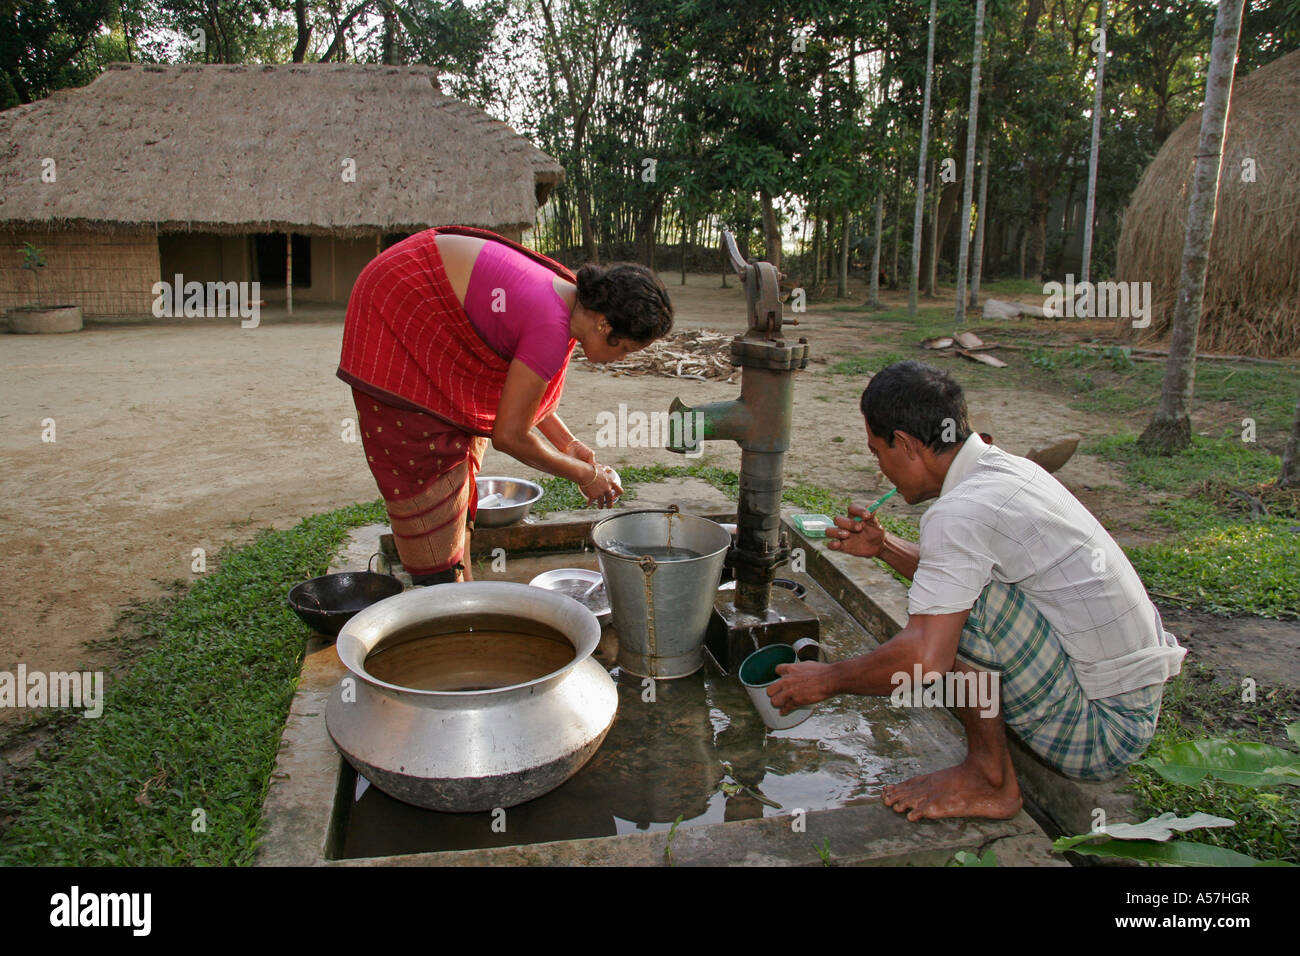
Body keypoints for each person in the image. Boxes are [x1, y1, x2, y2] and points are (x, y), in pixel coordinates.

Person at [768, 360, 1185, 821]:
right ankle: (988, 770)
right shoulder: (1004, 469)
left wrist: (827, 679)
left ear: (904, 444)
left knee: (954, 613)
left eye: (876, 451)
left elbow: (926, 658)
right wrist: (885, 546)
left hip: (1099, 731)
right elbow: (958, 575)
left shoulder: (960, 512)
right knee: (956, 597)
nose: (880, 469)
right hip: (1125, 704)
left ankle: (990, 778)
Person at [337, 225, 673, 584]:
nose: (619, 359)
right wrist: (586, 475)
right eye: (623, 350)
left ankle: (458, 583)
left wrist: (568, 444)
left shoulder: (571, 298)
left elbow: (521, 395)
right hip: (401, 302)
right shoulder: (550, 323)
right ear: (604, 324)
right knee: (431, 461)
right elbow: (510, 435)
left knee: (459, 468)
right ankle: (439, 589)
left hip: (412, 278)